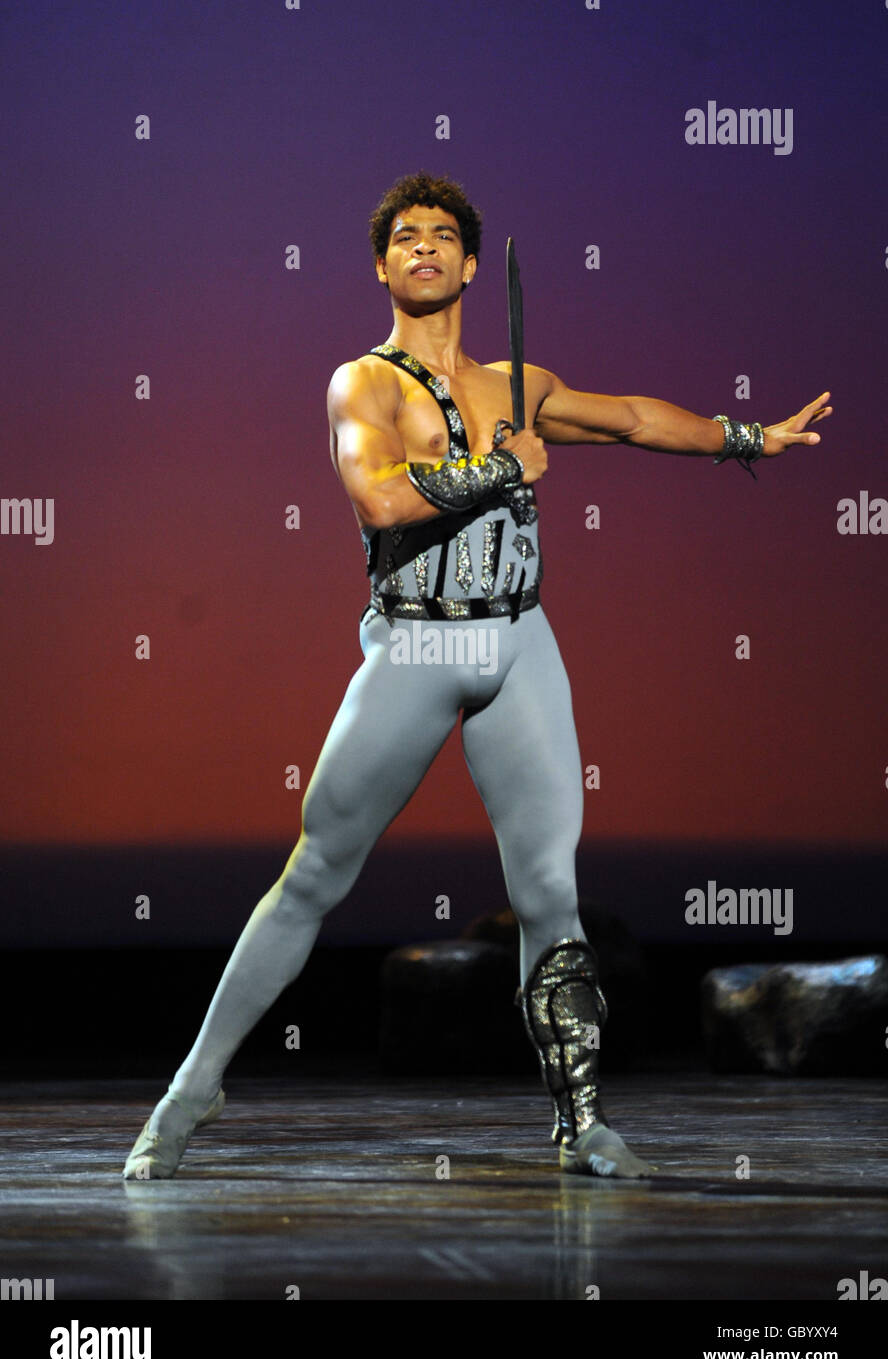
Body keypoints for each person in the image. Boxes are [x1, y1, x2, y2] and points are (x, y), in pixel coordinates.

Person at [122, 170, 832, 1182]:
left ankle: (580, 1119)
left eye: (443, 235)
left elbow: (632, 417)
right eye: (404, 236)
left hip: (519, 640)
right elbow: (375, 498)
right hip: (418, 643)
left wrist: (750, 436)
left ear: (464, 262)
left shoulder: (520, 383)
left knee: (550, 887)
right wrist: (503, 470)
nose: (424, 246)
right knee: (316, 872)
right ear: (381, 266)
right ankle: (193, 1086)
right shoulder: (360, 383)